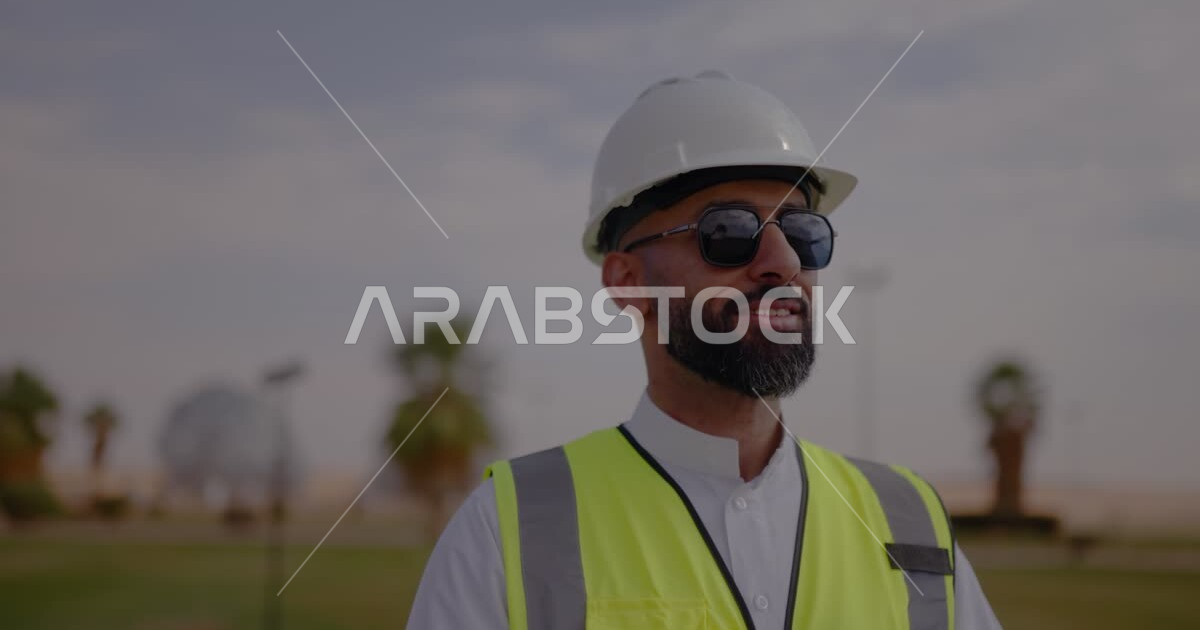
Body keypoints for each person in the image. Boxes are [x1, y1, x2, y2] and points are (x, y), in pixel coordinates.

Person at [407, 71, 1002, 629]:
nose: (784, 264)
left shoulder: (912, 521)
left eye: (802, 233)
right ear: (626, 282)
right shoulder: (508, 528)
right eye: (729, 231)